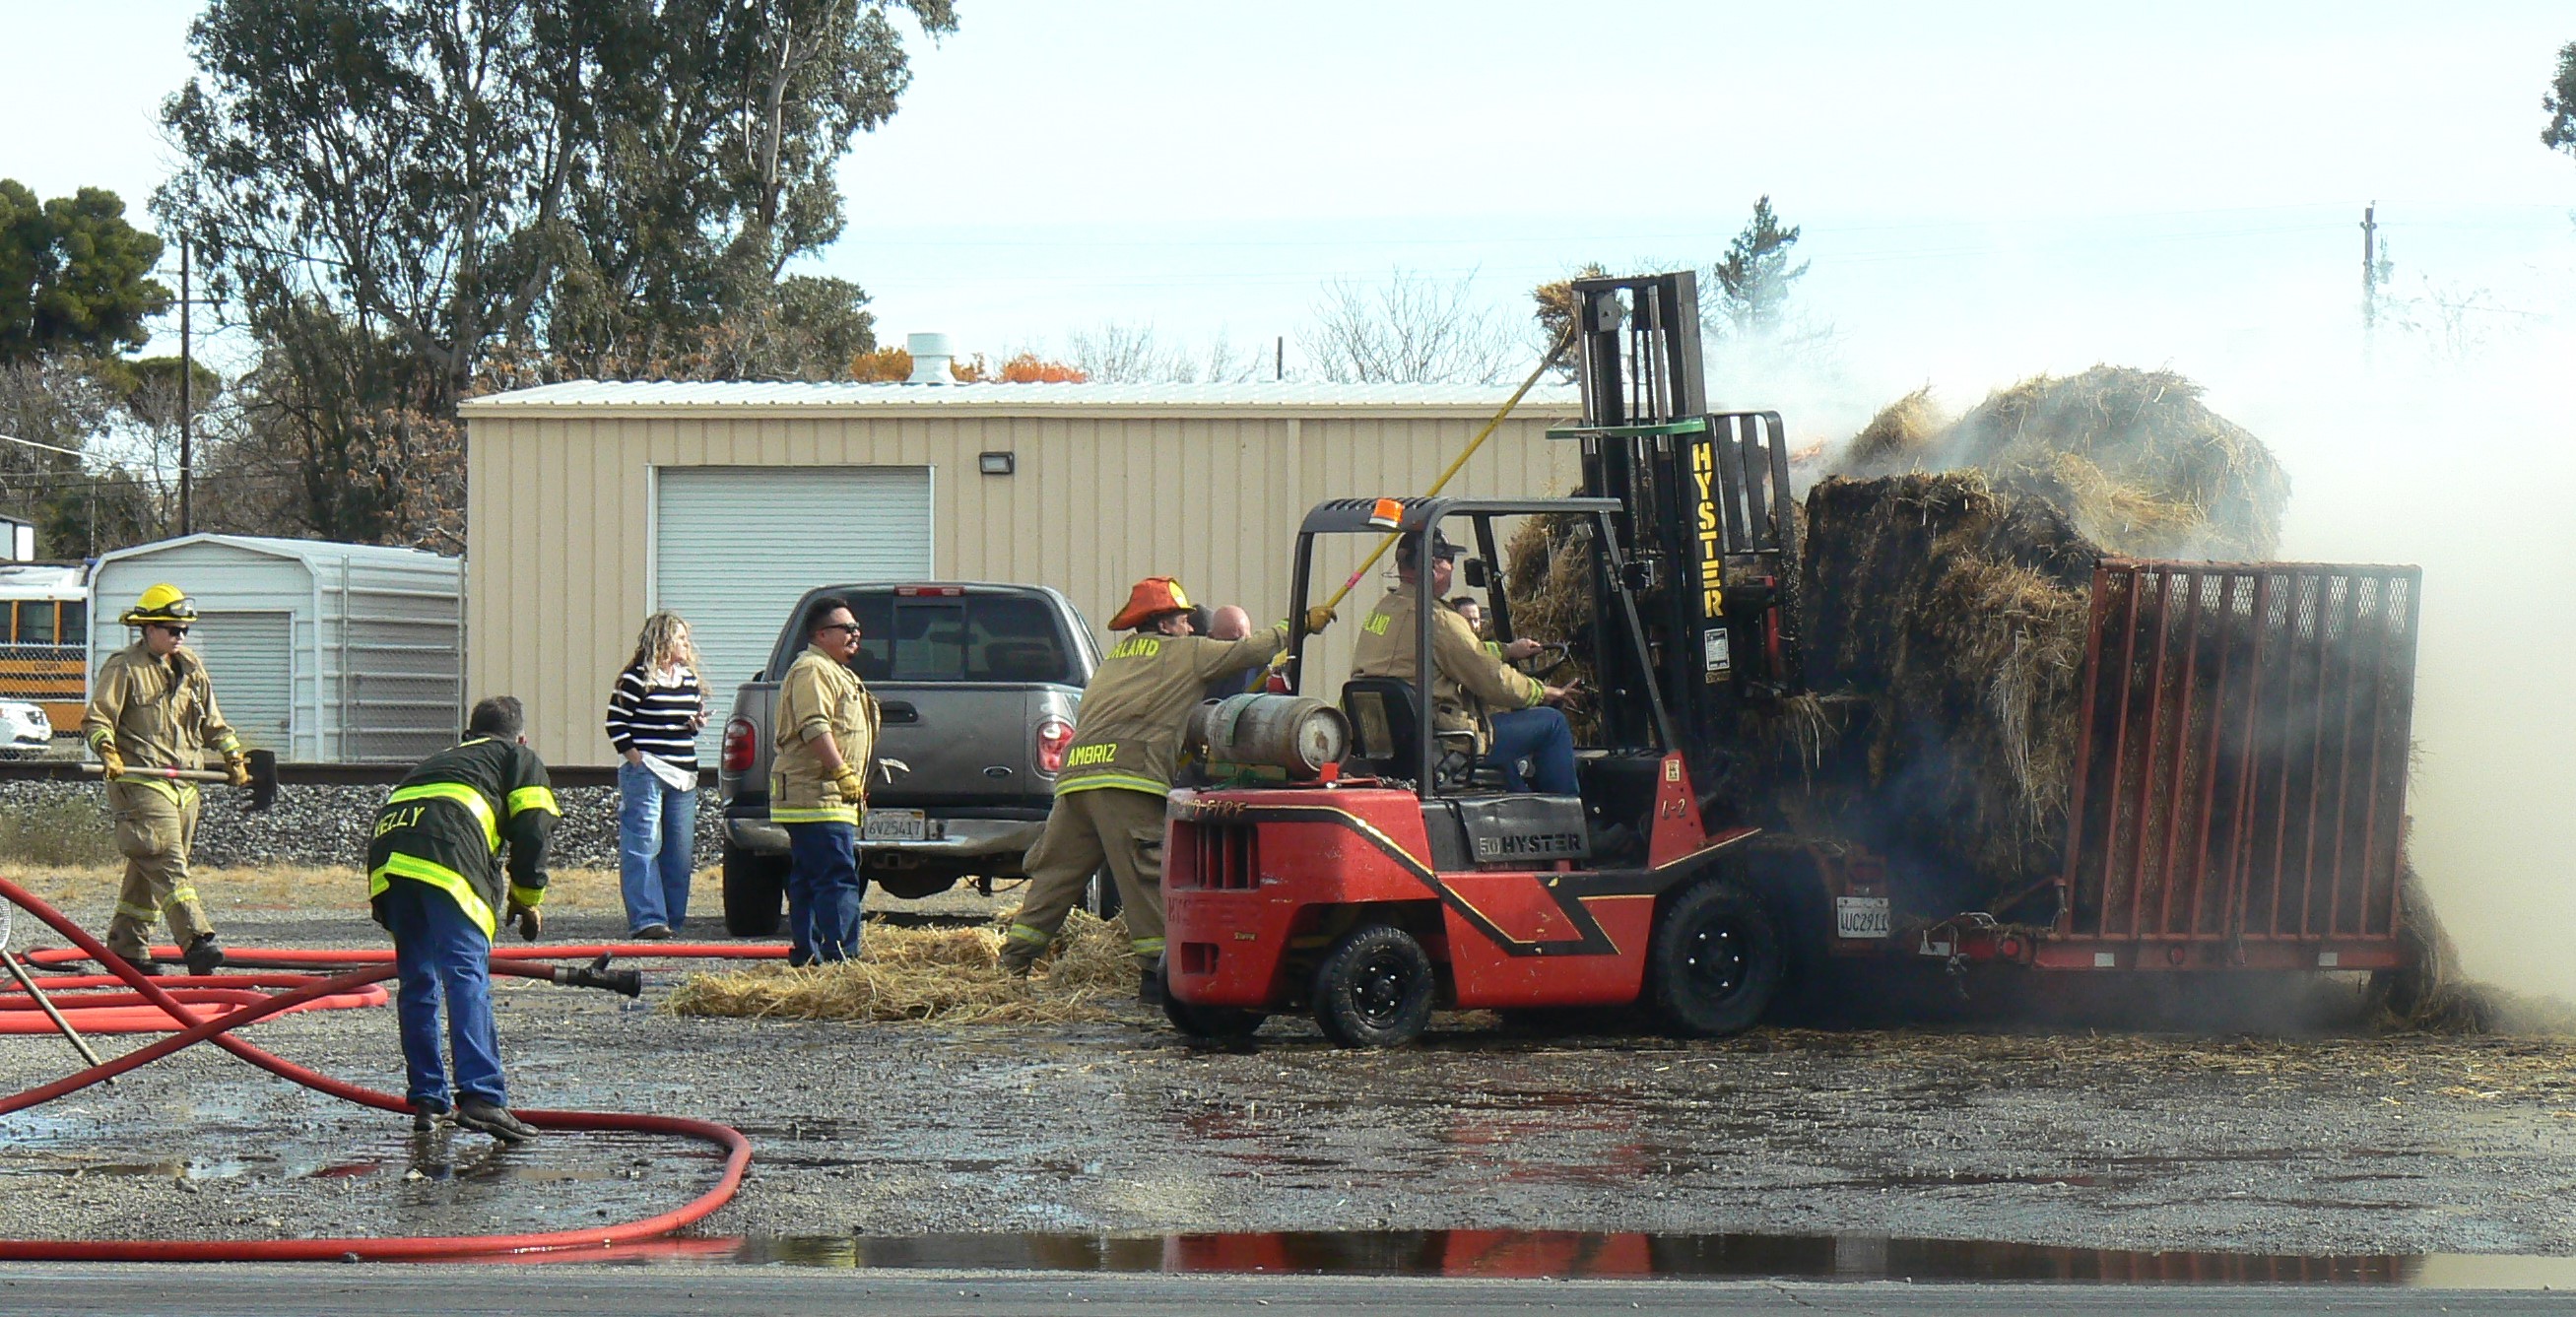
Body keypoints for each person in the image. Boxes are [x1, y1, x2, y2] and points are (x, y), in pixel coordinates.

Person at [1001, 577, 1335, 994]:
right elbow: (1248, 649)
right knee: (1148, 880)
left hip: (1077, 779)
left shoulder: (1118, 658)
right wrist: (1301, 624)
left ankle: (1012, 966)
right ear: (1162, 624)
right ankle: (1157, 981)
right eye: (1182, 620)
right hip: (1127, 781)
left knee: (1056, 877)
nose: (1191, 628)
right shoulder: (1184, 653)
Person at [366, 695, 558, 1143]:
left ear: (468, 735)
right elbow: (533, 827)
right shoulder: (517, 756)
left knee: (419, 981)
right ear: (521, 736)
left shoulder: (442, 759)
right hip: (446, 852)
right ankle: (483, 1098)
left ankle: (428, 1100)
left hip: (390, 857)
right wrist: (528, 897)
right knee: (465, 973)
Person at [81, 583, 247, 976]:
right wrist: (108, 751)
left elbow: (213, 723)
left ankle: (127, 947)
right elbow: (97, 719)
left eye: (184, 630)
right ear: (148, 628)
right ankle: (197, 941)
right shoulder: (124, 667)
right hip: (141, 781)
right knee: (168, 863)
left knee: (149, 867)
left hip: (185, 784)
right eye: (172, 629)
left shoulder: (191, 668)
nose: (179, 636)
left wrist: (233, 755)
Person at [1350, 530, 1578, 794]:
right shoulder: (1437, 618)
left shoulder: (1384, 610)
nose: (1452, 569)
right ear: (1433, 565)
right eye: (1450, 562)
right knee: (1552, 723)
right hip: (1447, 744)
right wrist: (1541, 691)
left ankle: (1521, 799)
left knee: (1500, 734)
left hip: (1396, 743)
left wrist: (1506, 651)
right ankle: (1570, 820)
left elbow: (1457, 654)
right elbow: (1492, 680)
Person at [770, 596, 879, 965]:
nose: (855, 634)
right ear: (821, 633)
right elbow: (815, 727)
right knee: (836, 877)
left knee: (812, 876)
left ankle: (810, 954)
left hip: (829, 797)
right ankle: (840, 959)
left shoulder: (836, 671)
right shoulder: (813, 670)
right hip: (816, 794)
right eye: (846, 628)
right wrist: (842, 773)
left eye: (857, 628)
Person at [604, 612, 706, 940]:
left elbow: (687, 720)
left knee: (678, 851)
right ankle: (647, 918)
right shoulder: (636, 678)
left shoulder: (687, 679)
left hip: (684, 774)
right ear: (661, 641)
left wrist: (695, 725)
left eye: (686, 638)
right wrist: (636, 759)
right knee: (644, 843)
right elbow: (615, 723)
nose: (686, 644)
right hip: (647, 772)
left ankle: (672, 919)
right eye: (679, 638)